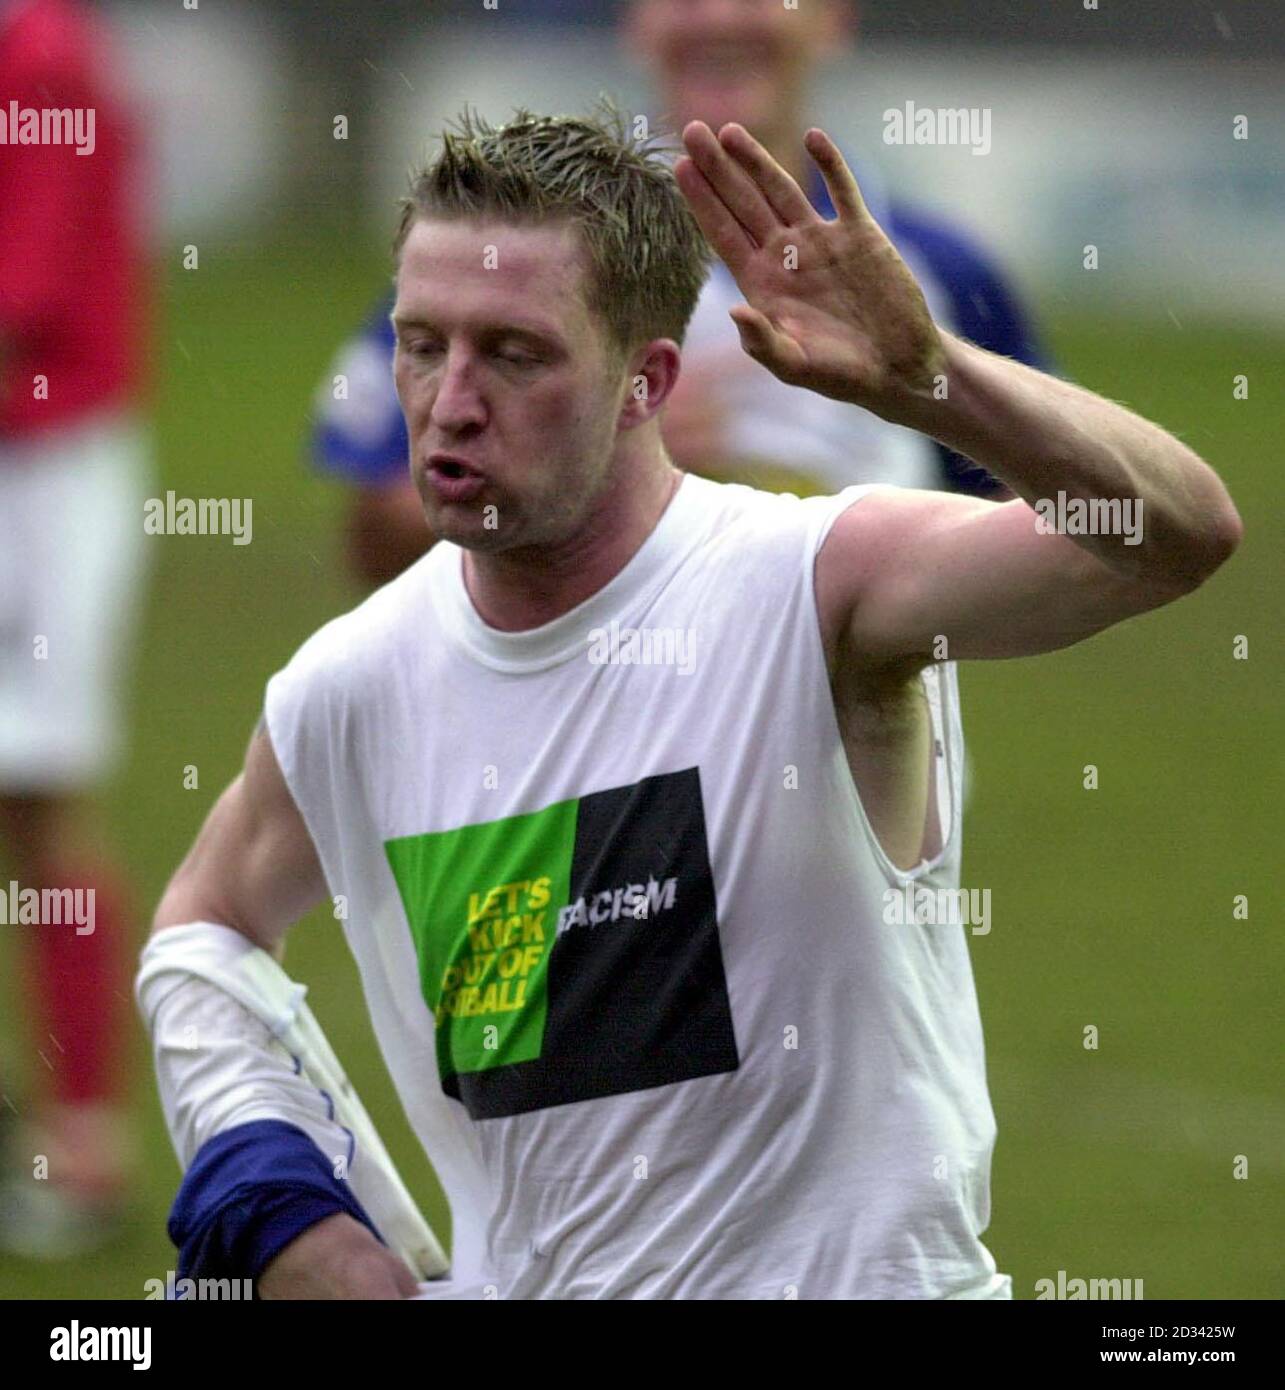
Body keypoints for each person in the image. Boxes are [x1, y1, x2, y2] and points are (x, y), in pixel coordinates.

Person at [137, 108, 1240, 1300]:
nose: (448, 401)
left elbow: (1171, 537)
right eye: (420, 343)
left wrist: (936, 380)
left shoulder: (815, 591)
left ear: (643, 381)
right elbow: (203, 930)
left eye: (513, 353)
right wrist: (281, 1200)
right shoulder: (350, 687)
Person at [313, 0, 1045, 588]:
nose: (720, 18)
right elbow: (376, 540)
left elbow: (1063, 520)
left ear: (833, 16)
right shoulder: (517, 257)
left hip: (869, 761)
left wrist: (898, 509)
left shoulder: (935, 271)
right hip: (595, 755)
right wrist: (594, 456)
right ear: (636, 19)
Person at [0, 0, 150, 1257]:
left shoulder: (37, 52)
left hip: (41, 467)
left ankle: (81, 1133)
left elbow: (23, 300)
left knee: (41, 799)